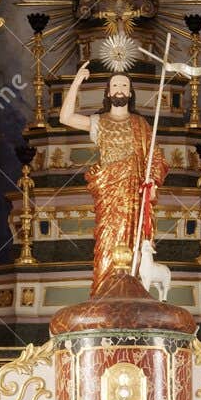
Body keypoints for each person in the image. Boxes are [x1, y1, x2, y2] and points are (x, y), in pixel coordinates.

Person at [59, 63, 168, 293]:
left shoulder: (141, 124)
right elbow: (66, 117)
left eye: (124, 85)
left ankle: (132, 292)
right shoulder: (99, 121)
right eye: (115, 85)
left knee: (135, 244)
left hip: (134, 196)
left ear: (130, 93)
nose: (120, 89)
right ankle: (105, 292)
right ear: (108, 92)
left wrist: (153, 182)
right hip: (109, 196)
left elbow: (156, 156)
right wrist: (77, 82)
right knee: (108, 243)